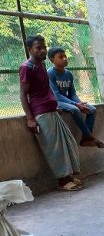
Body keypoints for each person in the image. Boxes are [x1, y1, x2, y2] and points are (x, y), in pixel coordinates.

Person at [19, 35, 82, 191]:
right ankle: (62, 181)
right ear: (29, 49)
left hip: (51, 110)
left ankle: (68, 176)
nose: (43, 50)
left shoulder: (41, 65)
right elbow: (23, 94)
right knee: (54, 148)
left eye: (44, 47)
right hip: (41, 112)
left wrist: (54, 104)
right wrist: (30, 119)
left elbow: (47, 88)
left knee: (67, 142)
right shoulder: (27, 67)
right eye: (38, 48)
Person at [47, 47, 104, 148]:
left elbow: (72, 93)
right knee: (75, 110)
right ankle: (90, 137)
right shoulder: (50, 73)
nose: (65, 59)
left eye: (65, 56)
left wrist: (79, 103)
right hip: (56, 102)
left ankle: (85, 139)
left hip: (68, 101)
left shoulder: (68, 74)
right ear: (52, 60)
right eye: (61, 57)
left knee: (92, 110)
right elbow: (56, 95)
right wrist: (75, 104)